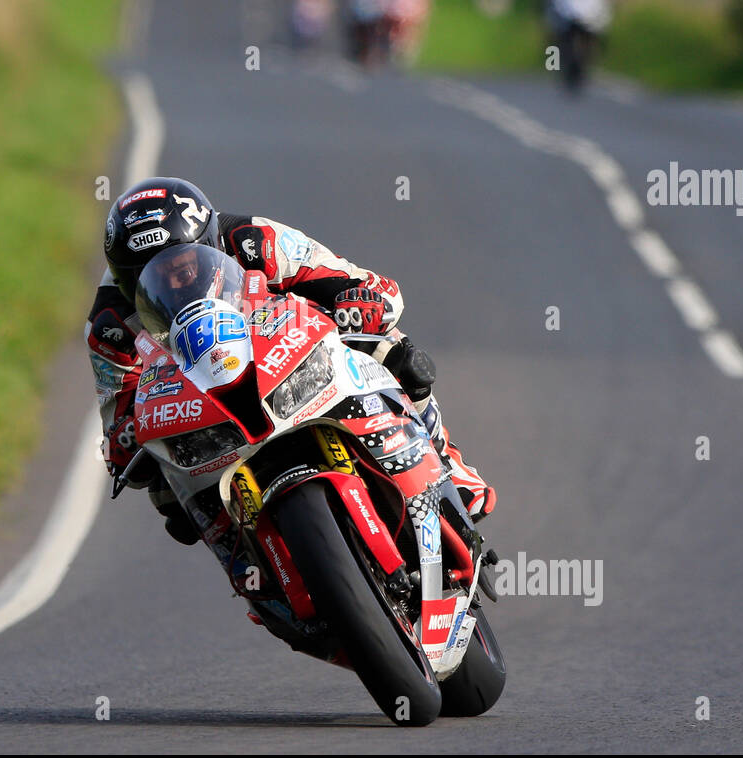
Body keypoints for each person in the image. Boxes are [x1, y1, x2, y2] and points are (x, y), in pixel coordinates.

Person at [88, 176, 496, 545]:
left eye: (183, 268)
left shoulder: (255, 239)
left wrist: (359, 301)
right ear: (122, 279)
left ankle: (445, 462)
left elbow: (363, 283)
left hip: (278, 346)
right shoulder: (109, 324)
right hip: (198, 399)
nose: (172, 285)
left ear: (209, 244)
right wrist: (125, 439)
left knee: (392, 348)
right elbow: (116, 415)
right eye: (147, 277)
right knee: (168, 497)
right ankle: (250, 565)